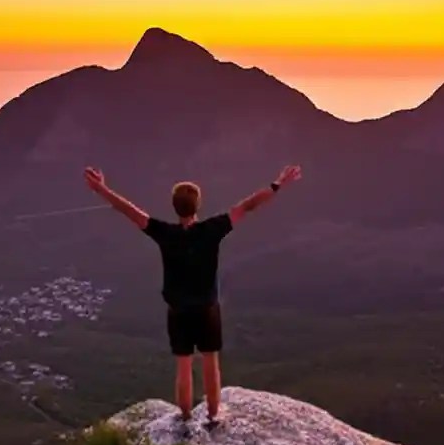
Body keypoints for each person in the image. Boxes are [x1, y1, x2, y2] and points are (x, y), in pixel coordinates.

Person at [84, 164, 303, 422]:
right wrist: (277, 184)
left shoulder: (164, 233)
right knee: (211, 362)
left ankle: (185, 416)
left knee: (184, 365)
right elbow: (248, 206)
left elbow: (127, 210)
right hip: (207, 309)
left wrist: (101, 189)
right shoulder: (213, 229)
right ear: (197, 205)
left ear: (175, 206)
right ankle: (213, 414)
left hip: (178, 311)